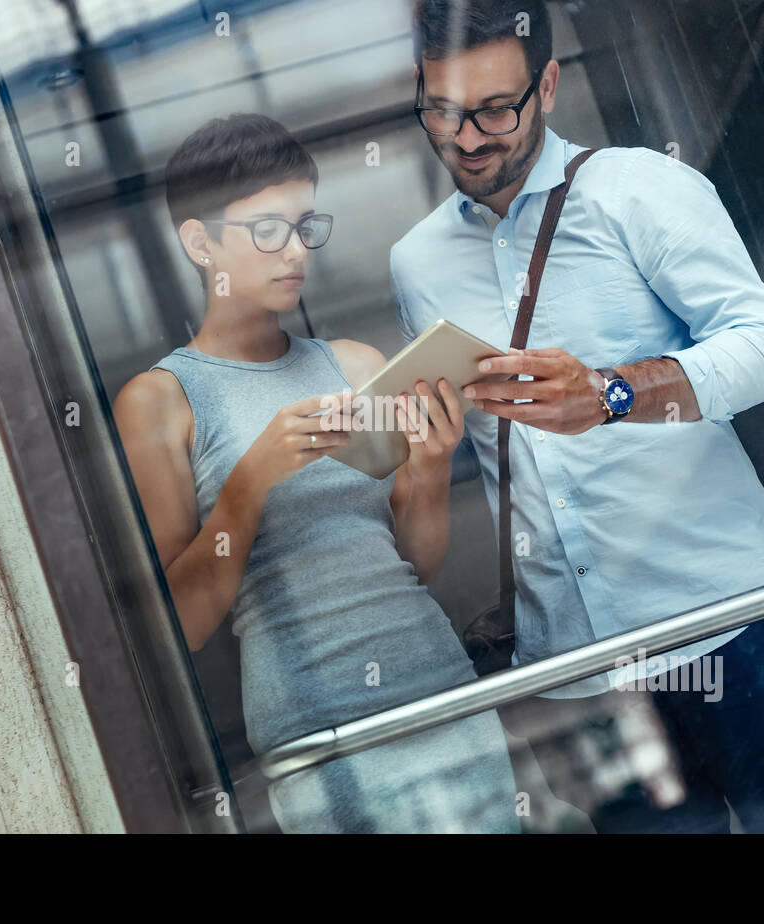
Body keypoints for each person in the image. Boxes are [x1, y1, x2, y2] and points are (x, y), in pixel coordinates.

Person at [390, 0, 764, 832]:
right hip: (580, 677)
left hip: (732, 628)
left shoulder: (638, 188)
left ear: (548, 86)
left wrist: (611, 395)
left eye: (496, 110)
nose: (466, 138)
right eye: (442, 110)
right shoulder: (415, 264)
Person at [115, 113, 520, 833]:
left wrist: (426, 471)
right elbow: (186, 623)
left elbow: (416, 566)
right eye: (267, 230)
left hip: (437, 685)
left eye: (306, 225)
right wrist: (250, 479)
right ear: (199, 241)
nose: (295, 250)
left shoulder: (355, 365)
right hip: (315, 724)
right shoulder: (161, 401)